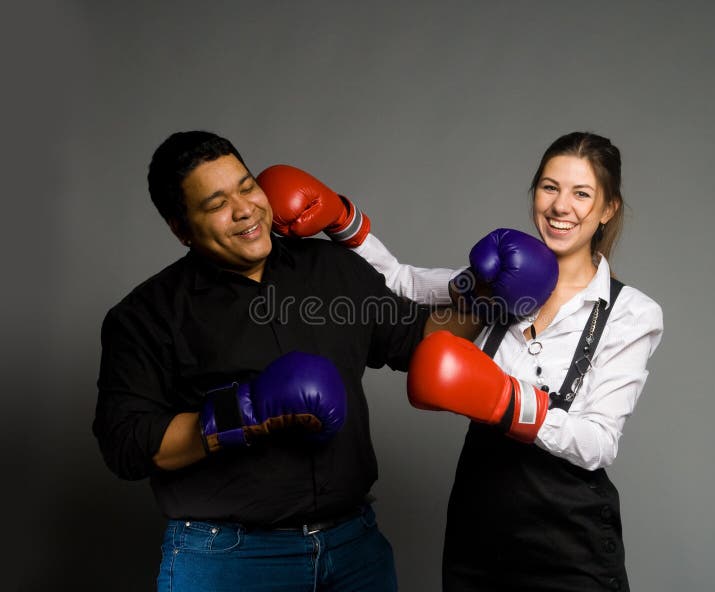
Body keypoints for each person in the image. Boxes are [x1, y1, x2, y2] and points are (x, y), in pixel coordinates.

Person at [92, 130, 554, 592]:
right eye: (216, 204)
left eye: (247, 186)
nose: (244, 209)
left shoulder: (331, 267)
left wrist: (488, 296)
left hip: (353, 549)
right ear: (181, 228)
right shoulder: (145, 316)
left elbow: (417, 339)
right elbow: (128, 444)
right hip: (228, 559)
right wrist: (248, 412)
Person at [280, 132, 664, 591]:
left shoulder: (631, 312)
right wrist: (342, 219)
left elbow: (600, 442)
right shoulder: (500, 280)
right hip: (478, 525)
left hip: (569, 538)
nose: (561, 206)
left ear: (607, 209)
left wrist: (505, 401)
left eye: (581, 193)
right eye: (549, 187)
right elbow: (399, 280)